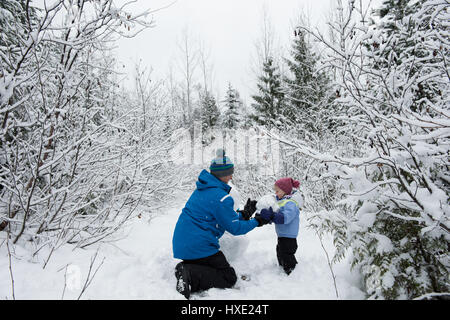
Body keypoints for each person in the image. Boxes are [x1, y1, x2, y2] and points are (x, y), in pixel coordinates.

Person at [172, 149, 270, 299]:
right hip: (199, 246)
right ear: (222, 174)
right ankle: (189, 275)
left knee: (212, 266)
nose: (232, 176)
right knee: (228, 277)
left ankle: (187, 267)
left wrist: (243, 214)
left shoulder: (203, 190)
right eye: (230, 172)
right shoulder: (222, 197)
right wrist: (257, 221)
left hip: (185, 243)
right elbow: (235, 228)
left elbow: (221, 217)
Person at [259, 177, 302, 275]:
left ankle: (292, 272)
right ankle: (283, 268)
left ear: (285, 191)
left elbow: (285, 218)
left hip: (289, 237)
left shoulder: (291, 203)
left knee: (286, 254)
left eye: (278, 191)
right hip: (282, 235)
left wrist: (272, 216)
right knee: (280, 252)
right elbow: (277, 214)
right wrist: (268, 217)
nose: (276, 193)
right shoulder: (282, 201)